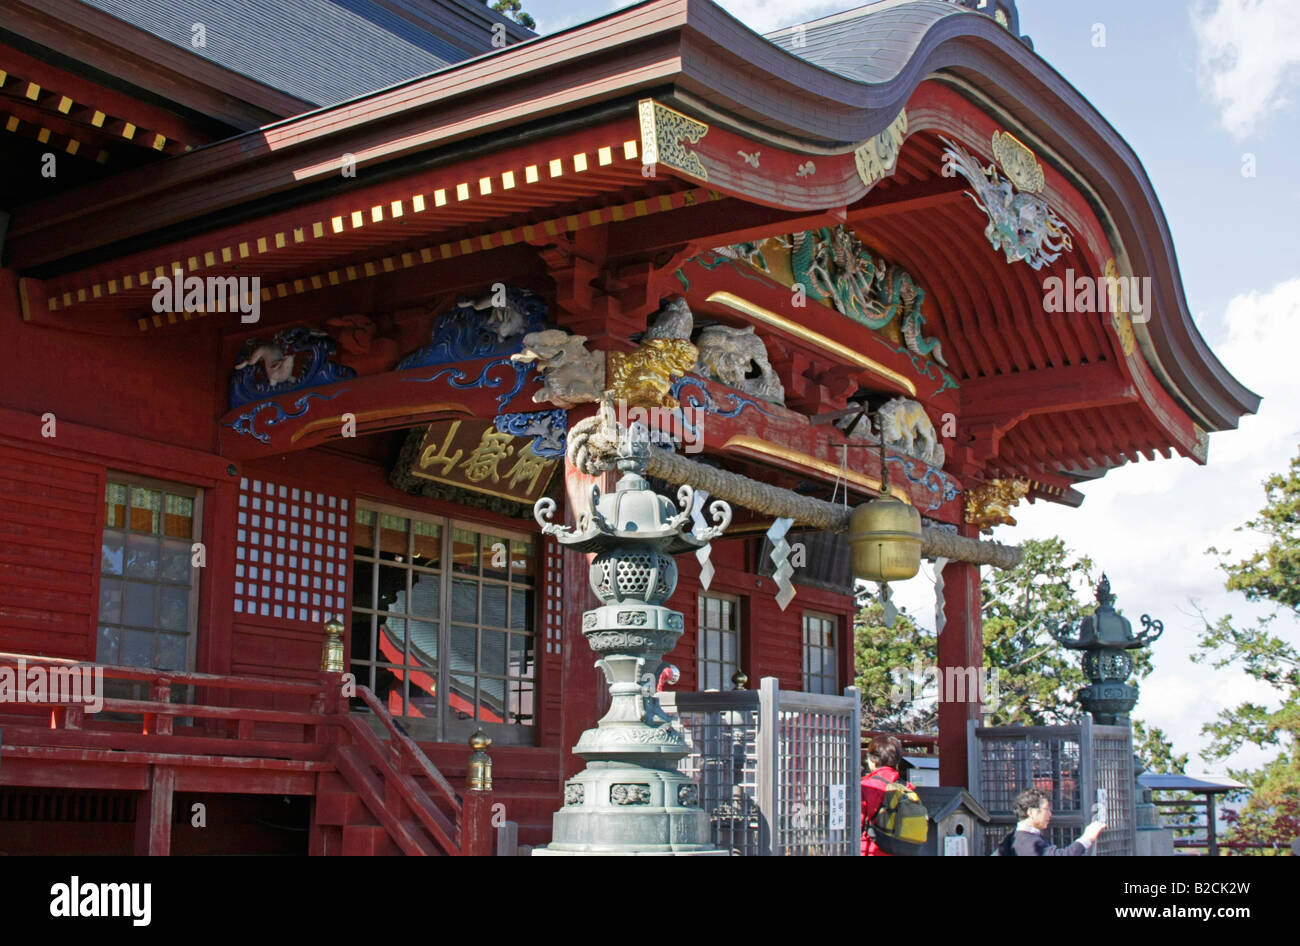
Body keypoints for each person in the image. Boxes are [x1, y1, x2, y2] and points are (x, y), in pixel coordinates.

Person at [994, 788, 1106, 856]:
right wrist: (1087, 838)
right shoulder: (1026, 842)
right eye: (1046, 809)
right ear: (1032, 812)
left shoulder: (1017, 838)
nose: (1050, 814)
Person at [861, 734, 910, 856]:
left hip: (873, 851)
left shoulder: (866, 787)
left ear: (872, 760)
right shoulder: (908, 787)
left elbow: (856, 826)